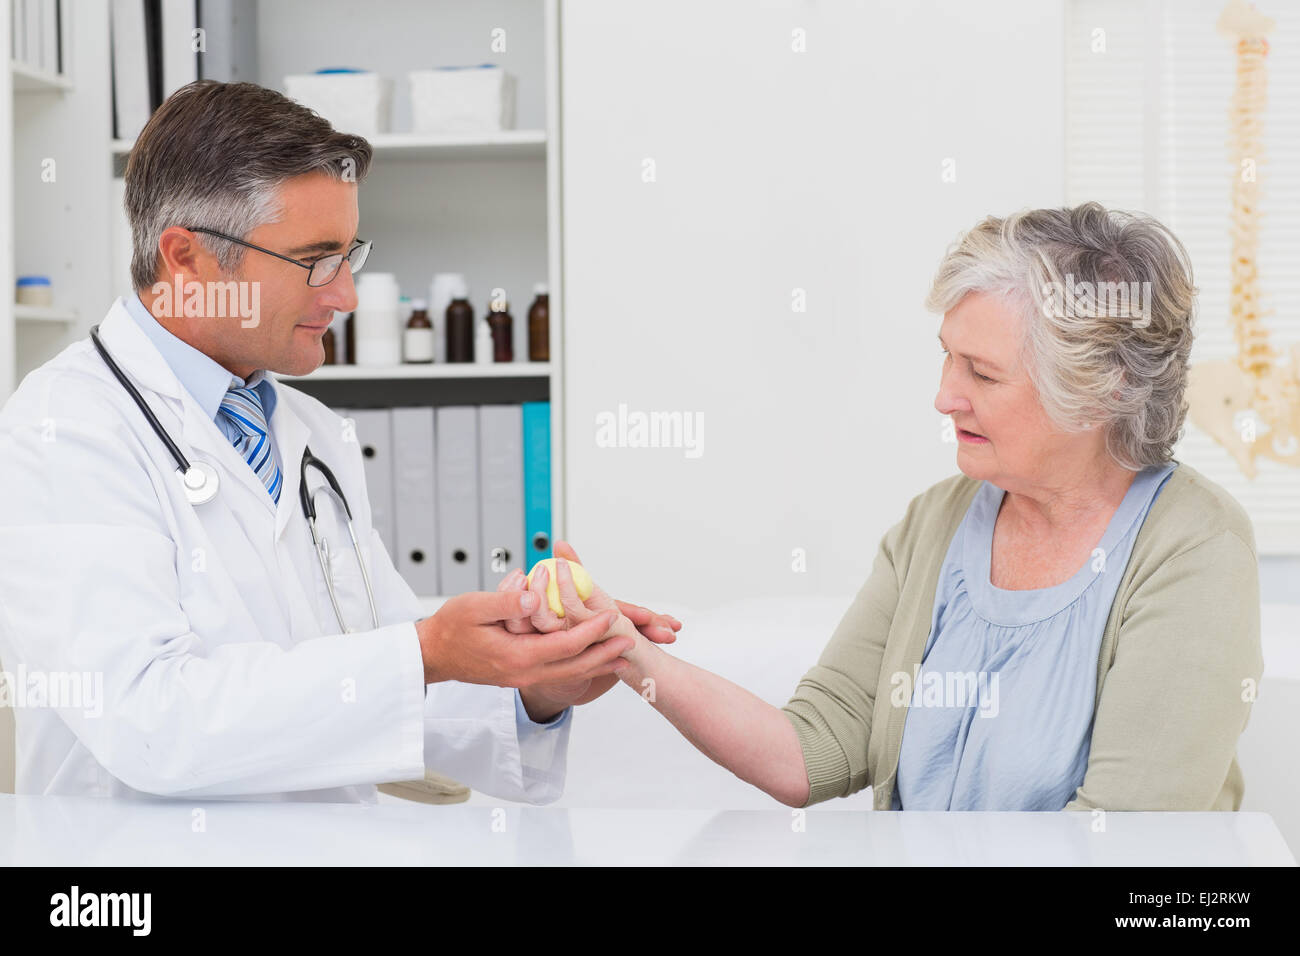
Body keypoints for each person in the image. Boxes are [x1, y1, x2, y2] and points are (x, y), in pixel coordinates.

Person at [0, 80, 678, 802]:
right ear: (187, 259)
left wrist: (534, 678)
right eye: (313, 260)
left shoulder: (313, 433)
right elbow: (150, 722)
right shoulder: (64, 427)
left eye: (348, 253)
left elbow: (377, 678)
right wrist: (424, 651)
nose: (345, 295)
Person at [534, 203, 1264, 812]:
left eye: (982, 372)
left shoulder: (1194, 548)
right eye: (947, 357)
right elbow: (812, 749)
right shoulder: (938, 523)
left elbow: (1124, 852)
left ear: (1101, 392)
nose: (945, 396)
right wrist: (629, 654)